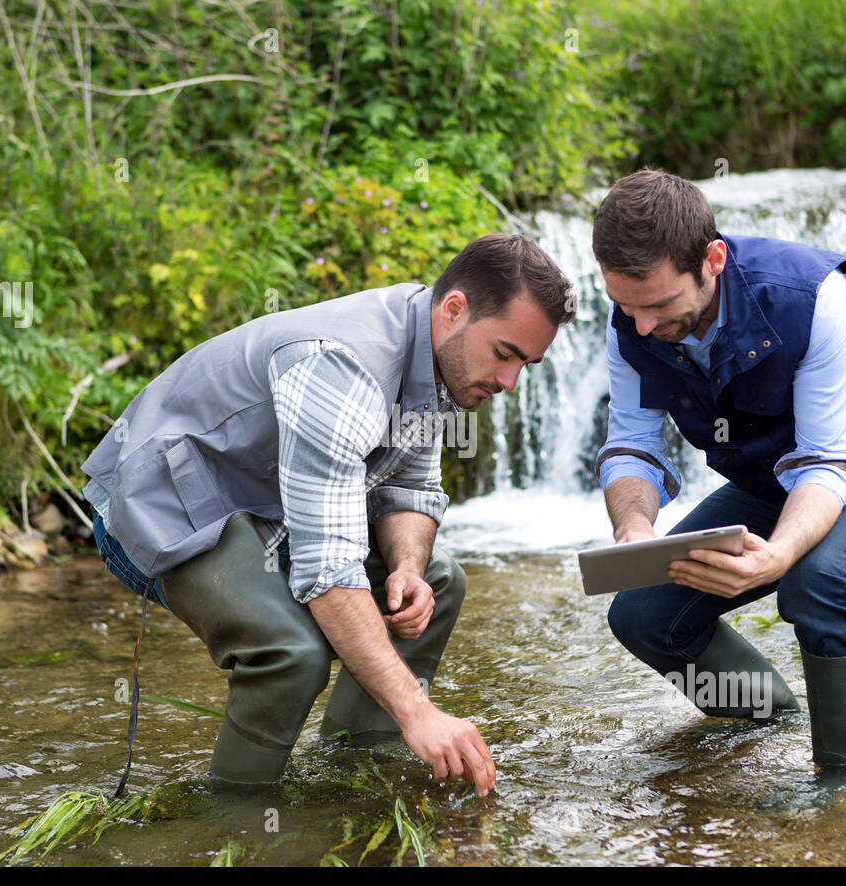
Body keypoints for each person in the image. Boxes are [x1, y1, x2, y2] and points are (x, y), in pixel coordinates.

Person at [81, 234, 573, 794]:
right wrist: (418, 710)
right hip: (162, 501)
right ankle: (234, 822)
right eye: (504, 354)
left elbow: (409, 486)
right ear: (453, 309)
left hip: (270, 508)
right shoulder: (342, 366)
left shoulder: (440, 357)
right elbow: (327, 570)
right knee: (292, 652)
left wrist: (406, 568)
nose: (509, 383)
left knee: (438, 581)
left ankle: (351, 776)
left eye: (525, 364)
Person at [592, 169, 846, 766]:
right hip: (777, 479)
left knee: (816, 580)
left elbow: (826, 459)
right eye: (626, 306)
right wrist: (634, 532)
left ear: (712, 259)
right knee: (642, 613)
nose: (643, 327)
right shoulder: (632, 320)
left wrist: (781, 554)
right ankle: (769, 722)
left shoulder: (808, 294)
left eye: (658, 305)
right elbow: (633, 446)